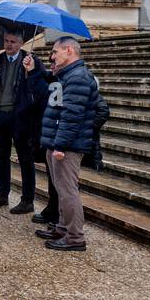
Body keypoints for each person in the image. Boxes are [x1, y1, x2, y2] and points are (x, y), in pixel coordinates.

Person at [38, 35, 99, 251]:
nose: (52, 56)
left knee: (68, 191)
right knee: (61, 190)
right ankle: (62, 228)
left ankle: (75, 237)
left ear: (69, 50)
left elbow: (72, 116)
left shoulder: (78, 78)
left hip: (67, 145)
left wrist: (60, 145)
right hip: (57, 141)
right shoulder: (66, 76)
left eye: (55, 52)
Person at [0, 26, 47, 214]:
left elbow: (41, 86)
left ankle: (28, 200)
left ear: (21, 43)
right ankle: (2, 194)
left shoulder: (31, 60)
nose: (8, 45)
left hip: (22, 117)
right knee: (1, 157)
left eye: (12, 42)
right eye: (6, 41)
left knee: (25, 159)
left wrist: (31, 72)